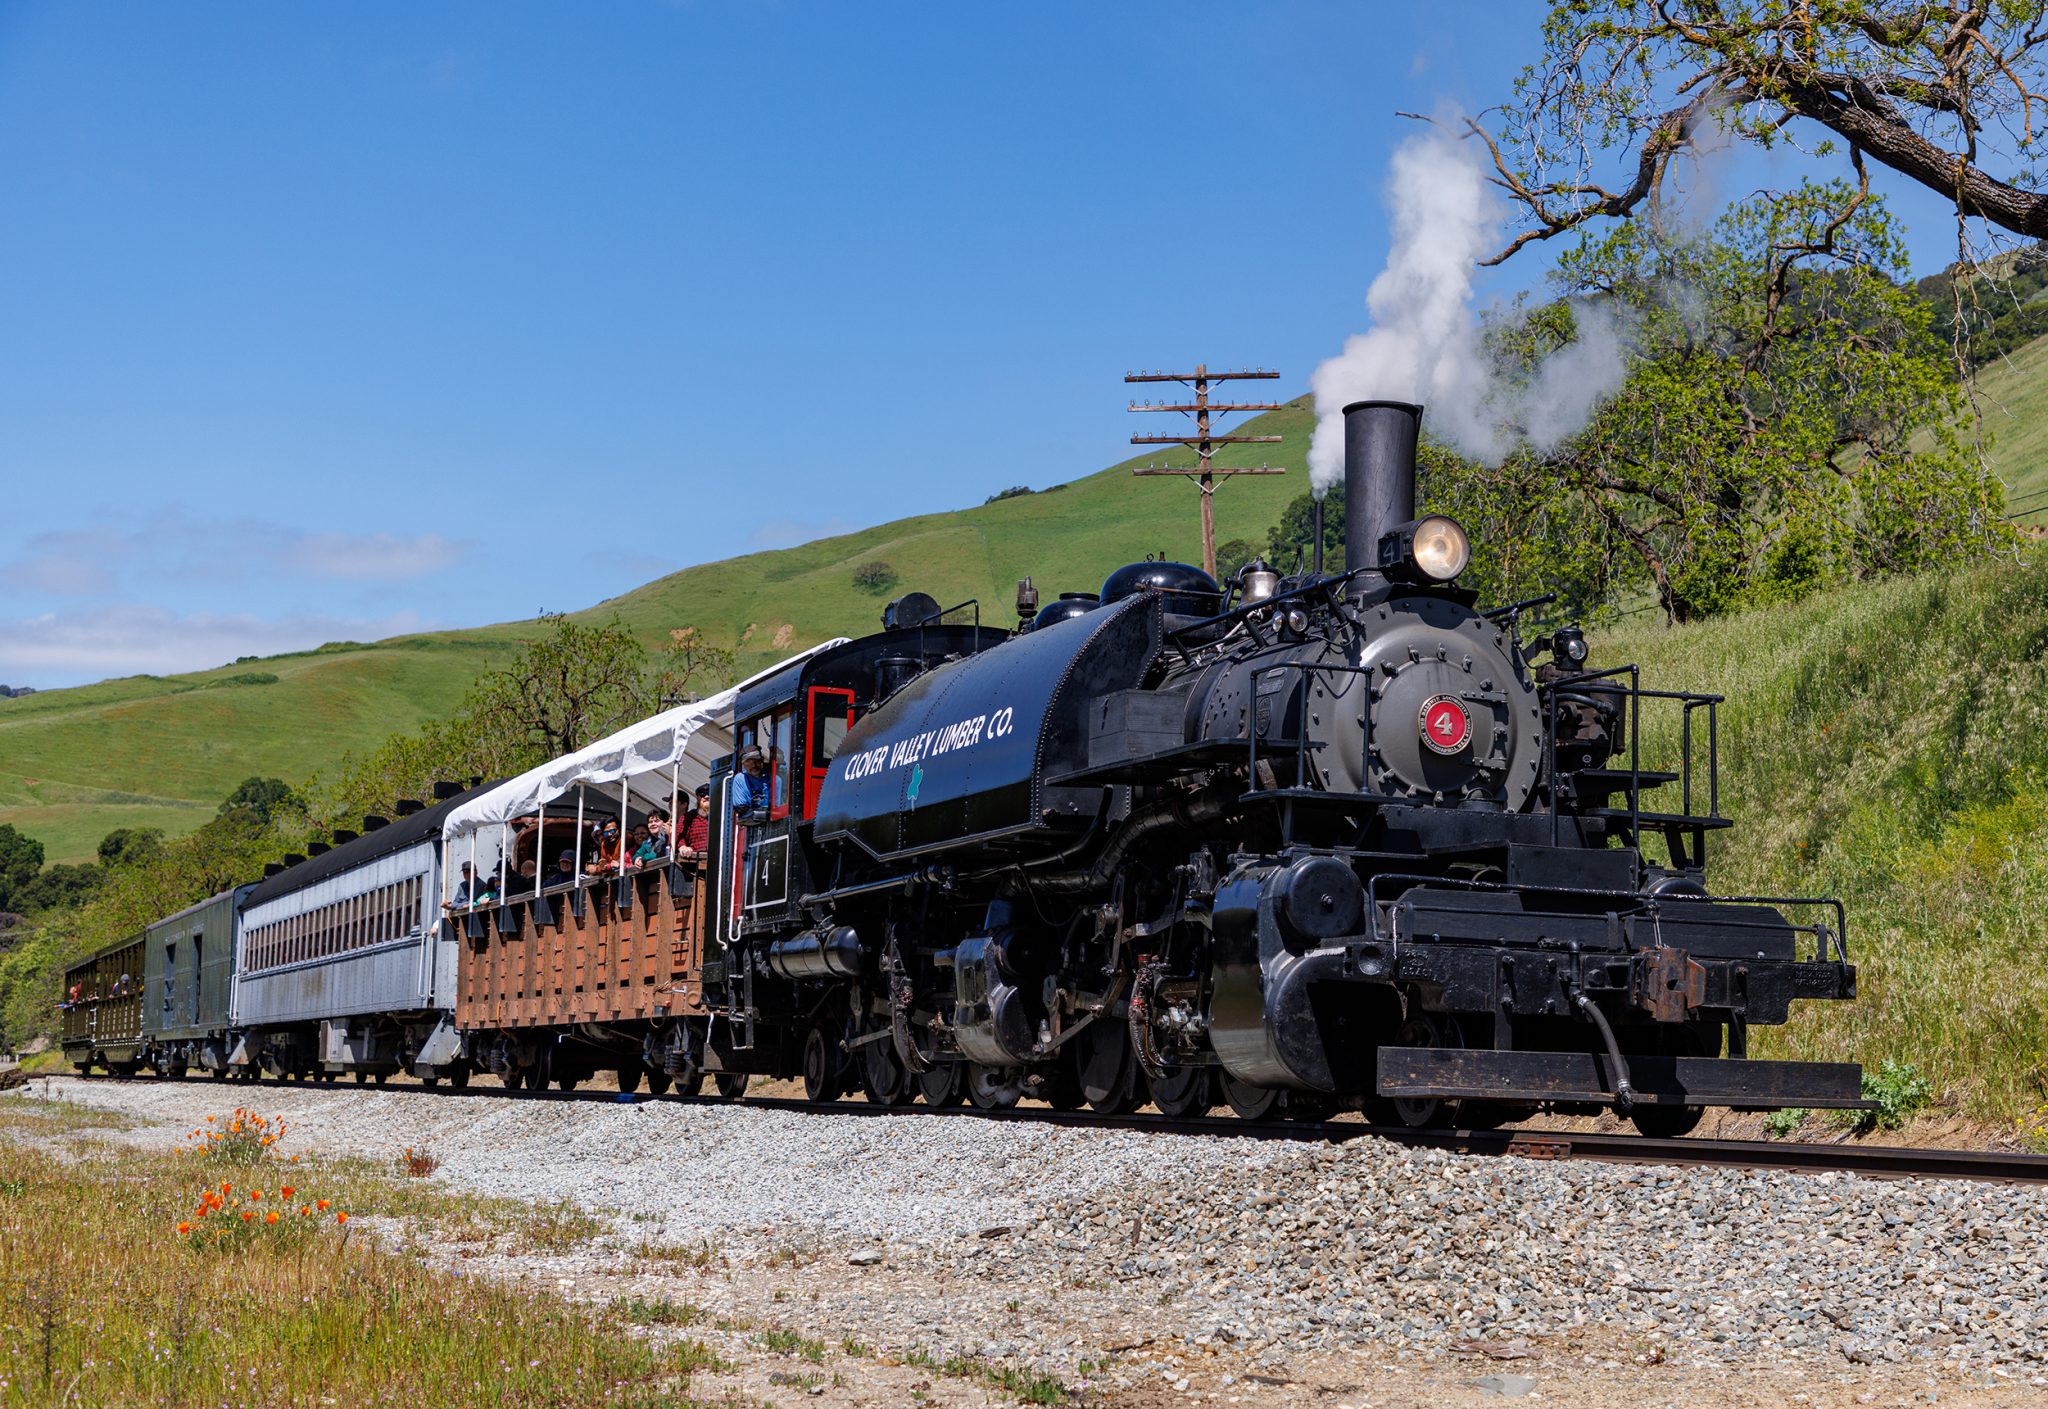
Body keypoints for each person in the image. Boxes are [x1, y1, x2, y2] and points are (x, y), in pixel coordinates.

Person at [731, 746, 771, 813]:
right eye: (748, 762)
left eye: (756, 761)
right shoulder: (741, 778)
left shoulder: (773, 778)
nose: (753, 765)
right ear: (743, 764)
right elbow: (742, 810)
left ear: (762, 760)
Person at [681, 784, 710, 858]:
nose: (706, 797)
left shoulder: (723, 815)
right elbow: (677, 833)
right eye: (702, 794)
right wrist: (683, 846)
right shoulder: (690, 816)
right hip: (697, 862)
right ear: (698, 798)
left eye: (710, 793)